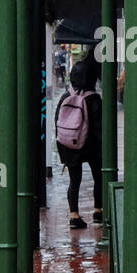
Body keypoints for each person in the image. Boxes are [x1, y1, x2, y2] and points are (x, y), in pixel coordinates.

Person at [54, 55, 102, 229]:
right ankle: (98, 211)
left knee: (75, 180)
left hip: (69, 145)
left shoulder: (65, 96)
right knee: (98, 176)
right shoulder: (94, 98)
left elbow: (57, 122)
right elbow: (98, 127)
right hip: (91, 147)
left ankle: (74, 215)